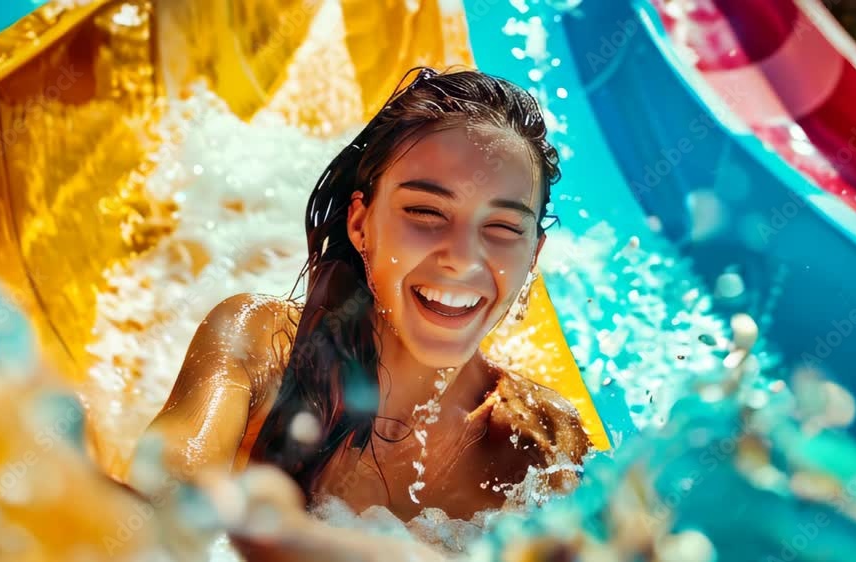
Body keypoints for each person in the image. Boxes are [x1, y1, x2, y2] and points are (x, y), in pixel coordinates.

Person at [130, 66, 591, 558]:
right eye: (426, 213)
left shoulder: (538, 444)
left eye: (502, 227)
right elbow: (166, 490)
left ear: (533, 256)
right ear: (360, 223)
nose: (462, 258)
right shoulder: (263, 345)